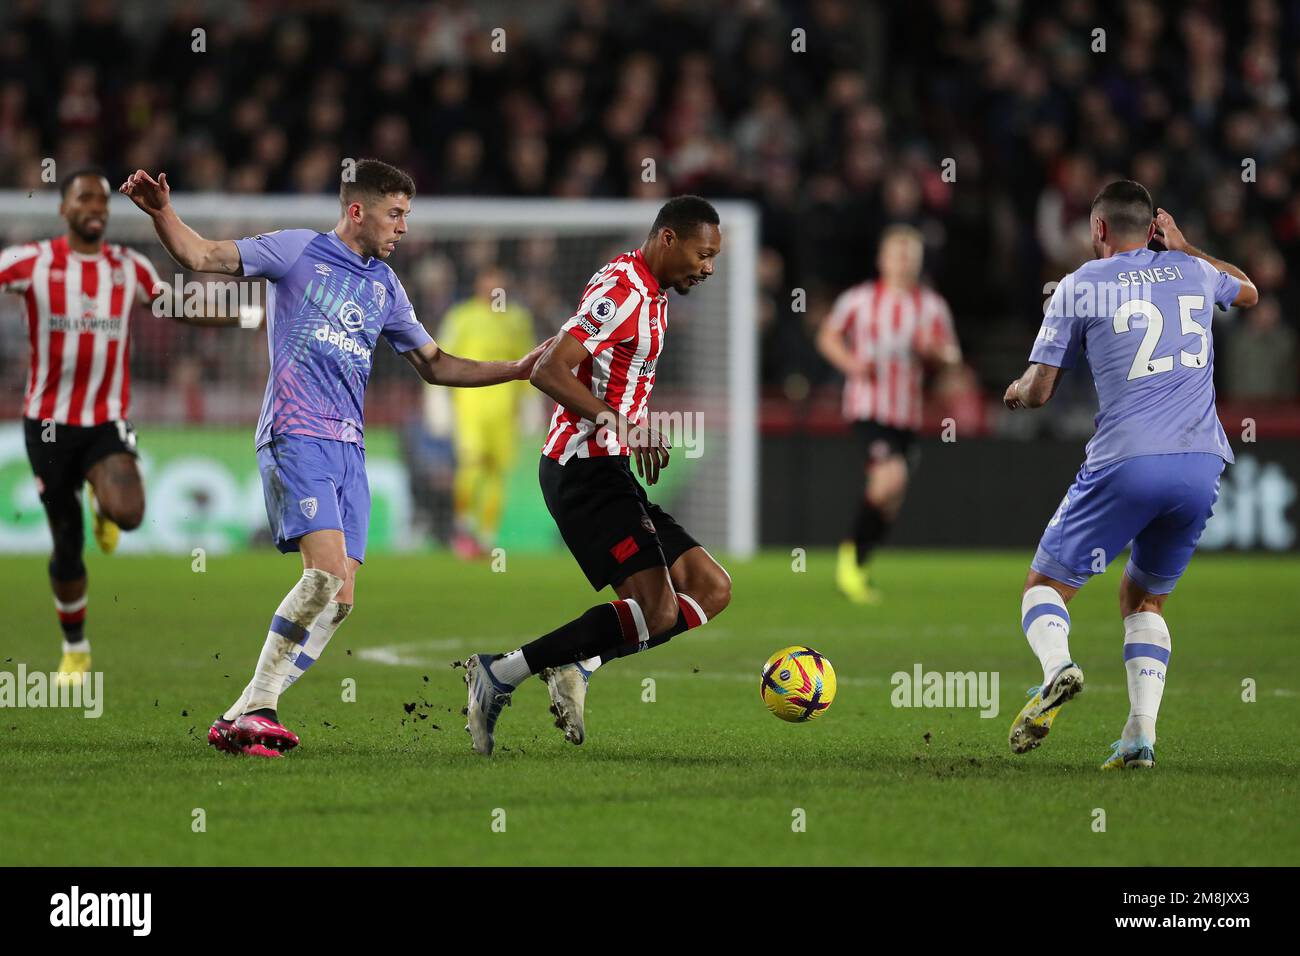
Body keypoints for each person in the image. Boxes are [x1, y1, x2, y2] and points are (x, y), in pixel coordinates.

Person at [120, 159, 547, 758]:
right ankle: (264, 709)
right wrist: (164, 212)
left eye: (406, 216)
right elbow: (202, 257)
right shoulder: (297, 252)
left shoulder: (386, 287)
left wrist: (519, 367)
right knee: (320, 577)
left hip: (350, 450)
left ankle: (239, 713)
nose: (403, 227)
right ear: (357, 211)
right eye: (394, 214)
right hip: (296, 433)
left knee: (341, 600)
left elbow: (436, 364)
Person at [462, 195, 732, 756]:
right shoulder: (624, 291)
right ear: (668, 239)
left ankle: (580, 661)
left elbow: (605, 375)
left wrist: (629, 425)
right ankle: (502, 673)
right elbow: (547, 369)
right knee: (656, 609)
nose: (708, 268)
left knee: (710, 588)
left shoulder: (649, 291)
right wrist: (621, 426)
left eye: (714, 258)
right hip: (582, 468)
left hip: (611, 468)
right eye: (703, 254)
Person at [1003, 180, 1258, 770]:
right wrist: (1188, 247)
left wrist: (1013, 394)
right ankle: (1140, 737)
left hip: (1127, 460)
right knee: (1143, 599)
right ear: (1153, 229)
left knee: (1045, 588)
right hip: (1201, 464)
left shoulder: (1079, 285)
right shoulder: (1193, 272)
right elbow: (1248, 288)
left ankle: (1057, 669)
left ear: (1097, 231)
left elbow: (1039, 392)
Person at [0, 168, 232, 683]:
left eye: (103, 201)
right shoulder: (33, 263)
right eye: (84, 198)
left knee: (129, 515)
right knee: (66, 541)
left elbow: (178, 306)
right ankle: (76, 648)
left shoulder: (127, 267)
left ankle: (106, 500)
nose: (96, 208)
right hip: (48, 425)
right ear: (64, 209)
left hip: (106, 419)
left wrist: (249, 317)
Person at [815, 224, 962, 604]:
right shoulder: (859, 300)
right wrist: (852, 364)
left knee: (890, 499)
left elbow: (952, 357)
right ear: (882, 259)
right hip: (868, 408)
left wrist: (936, 353)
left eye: (910, 256)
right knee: (889, 479)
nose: (903, 262)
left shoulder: (931, 306)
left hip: (907, 414)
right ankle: (847, 565)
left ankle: (858, 568)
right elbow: (827, 336)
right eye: (897, 254)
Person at [436, 265, 537, 557]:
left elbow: (528, 360)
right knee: (473, 462)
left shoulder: (518, 318)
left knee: (496, 471)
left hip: (506, 408)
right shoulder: (462, 316)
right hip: (471, 404)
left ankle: (487, 536)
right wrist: (438, 400)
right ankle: (464, 526)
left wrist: (530, 403)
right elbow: (440, 358)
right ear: (479, 285)